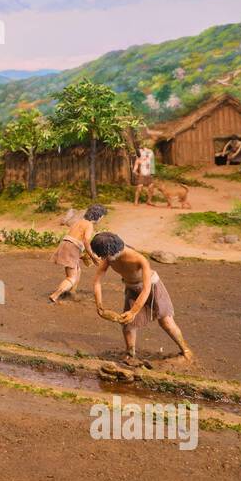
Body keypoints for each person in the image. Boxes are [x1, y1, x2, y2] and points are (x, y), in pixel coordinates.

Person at [90, 231, 193, 365]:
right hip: (131, 288)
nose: (103, 259)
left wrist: (134, 311)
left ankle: (186, 352)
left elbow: (146, 288)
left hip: (152, 287)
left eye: (105, 255)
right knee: (127, 324)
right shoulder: (108, 258)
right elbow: (97, 281)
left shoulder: (139, 259)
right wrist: (99, 306)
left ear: (114, 251)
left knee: (166, 321)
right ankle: (130, 354)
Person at [48, 204, 107, 303]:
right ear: (98, 216)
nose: (101, 219)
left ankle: (72, 292)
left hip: (65, 245)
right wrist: (92, 256)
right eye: (102, 217)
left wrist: (82, 255)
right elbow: (86, 241)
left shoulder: (79, 221)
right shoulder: (89, 225)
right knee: (71, 277)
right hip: (72, 247)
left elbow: (75, 238)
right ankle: (55, 295)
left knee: (77, 271)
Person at [132, 141, 157, 205]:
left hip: (149, 175)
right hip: (142, 176)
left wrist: (144, 148)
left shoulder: (149, 158)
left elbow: (150, 152)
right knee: (139, 188)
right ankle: (136, 201)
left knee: (151, 187)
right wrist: (135, 172)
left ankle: (149, 201)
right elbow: (134, 169)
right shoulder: (138, 160)